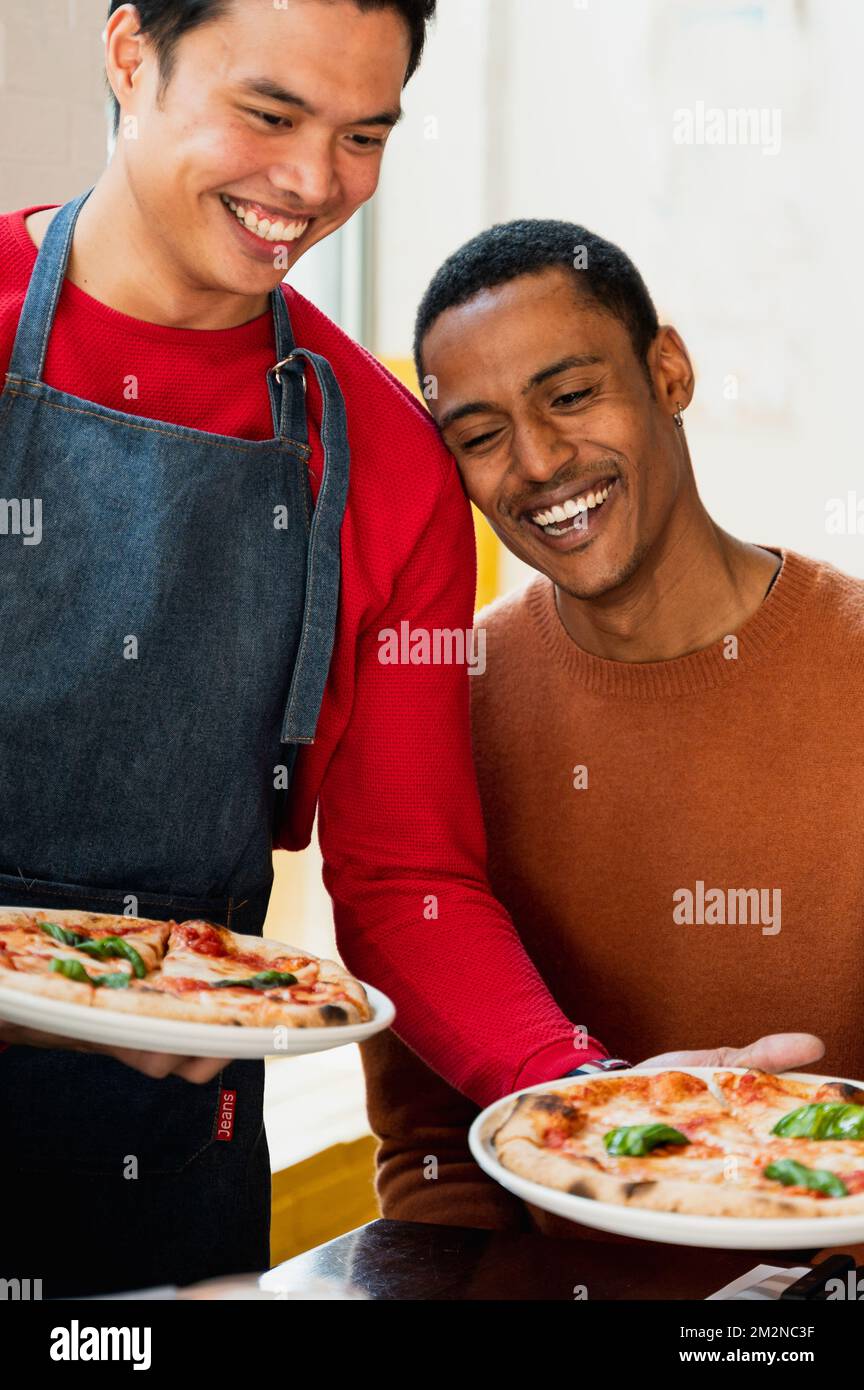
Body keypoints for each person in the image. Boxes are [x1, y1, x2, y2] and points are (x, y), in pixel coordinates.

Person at [0, 3, 613, 1297]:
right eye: (271, 114)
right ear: (128, 53)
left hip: (159, 1171)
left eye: (363, 136)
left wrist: (588, 1100)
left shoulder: (387, 457)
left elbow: (407, 881)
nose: (311, 184)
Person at [358, 218, 860, 1238]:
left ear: (668, 371)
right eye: (481, 435)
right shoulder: (439, 707)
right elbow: (430, 1150)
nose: (539, 462)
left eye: (572, 396)